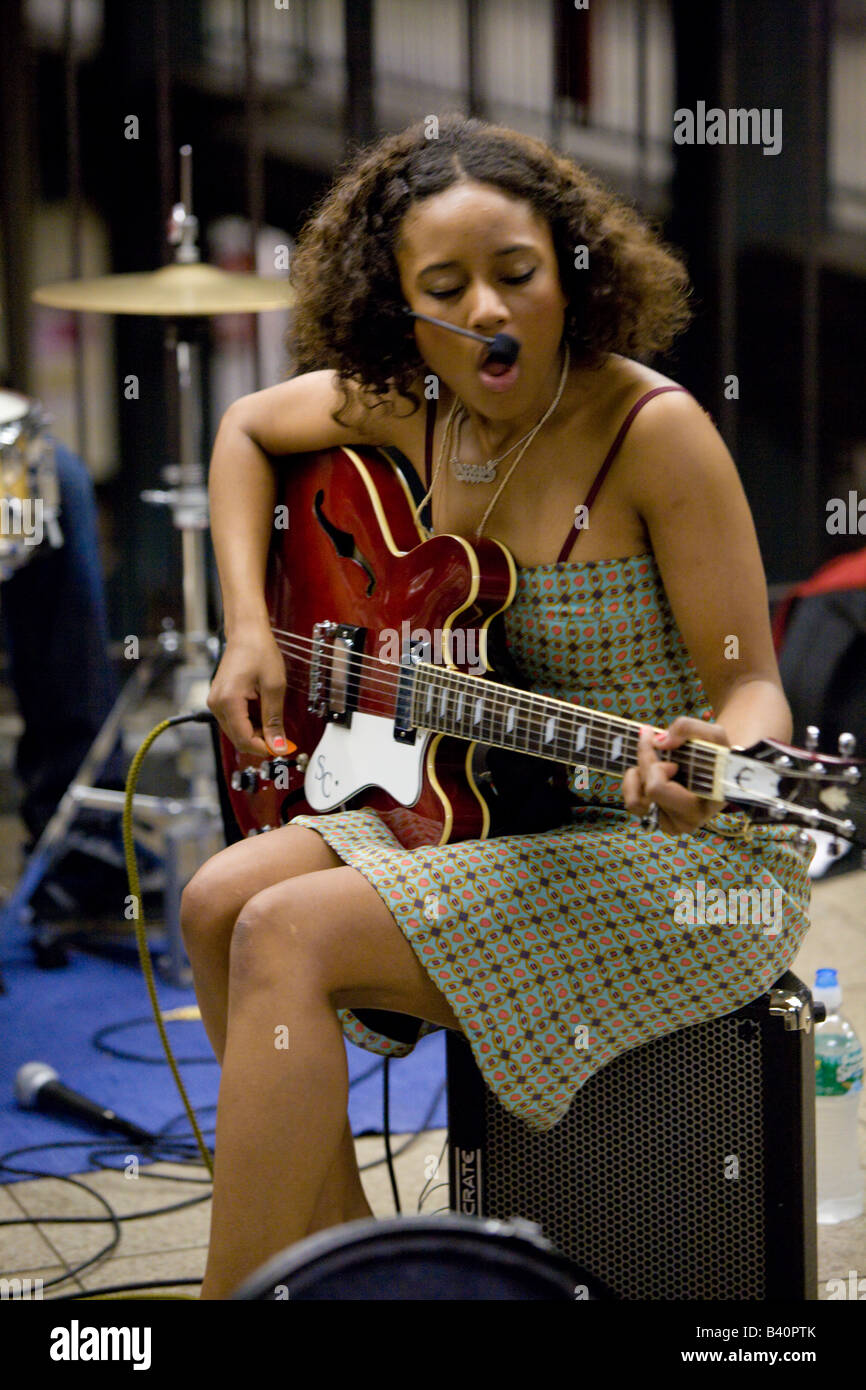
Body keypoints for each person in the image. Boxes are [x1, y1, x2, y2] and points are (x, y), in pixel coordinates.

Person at [183, 114, 814, 1299]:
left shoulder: (653, 431)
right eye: (445, 286)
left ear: (571, 274)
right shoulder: (419, 406)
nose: (486, 309)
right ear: (401, 306)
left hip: (671, 854)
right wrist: (247, 628)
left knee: (283, 933)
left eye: (515, 274)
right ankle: (357, 1268)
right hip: (489, 808)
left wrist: (715, 754)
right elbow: (243, 430)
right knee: (217, 897)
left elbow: (751, 686)